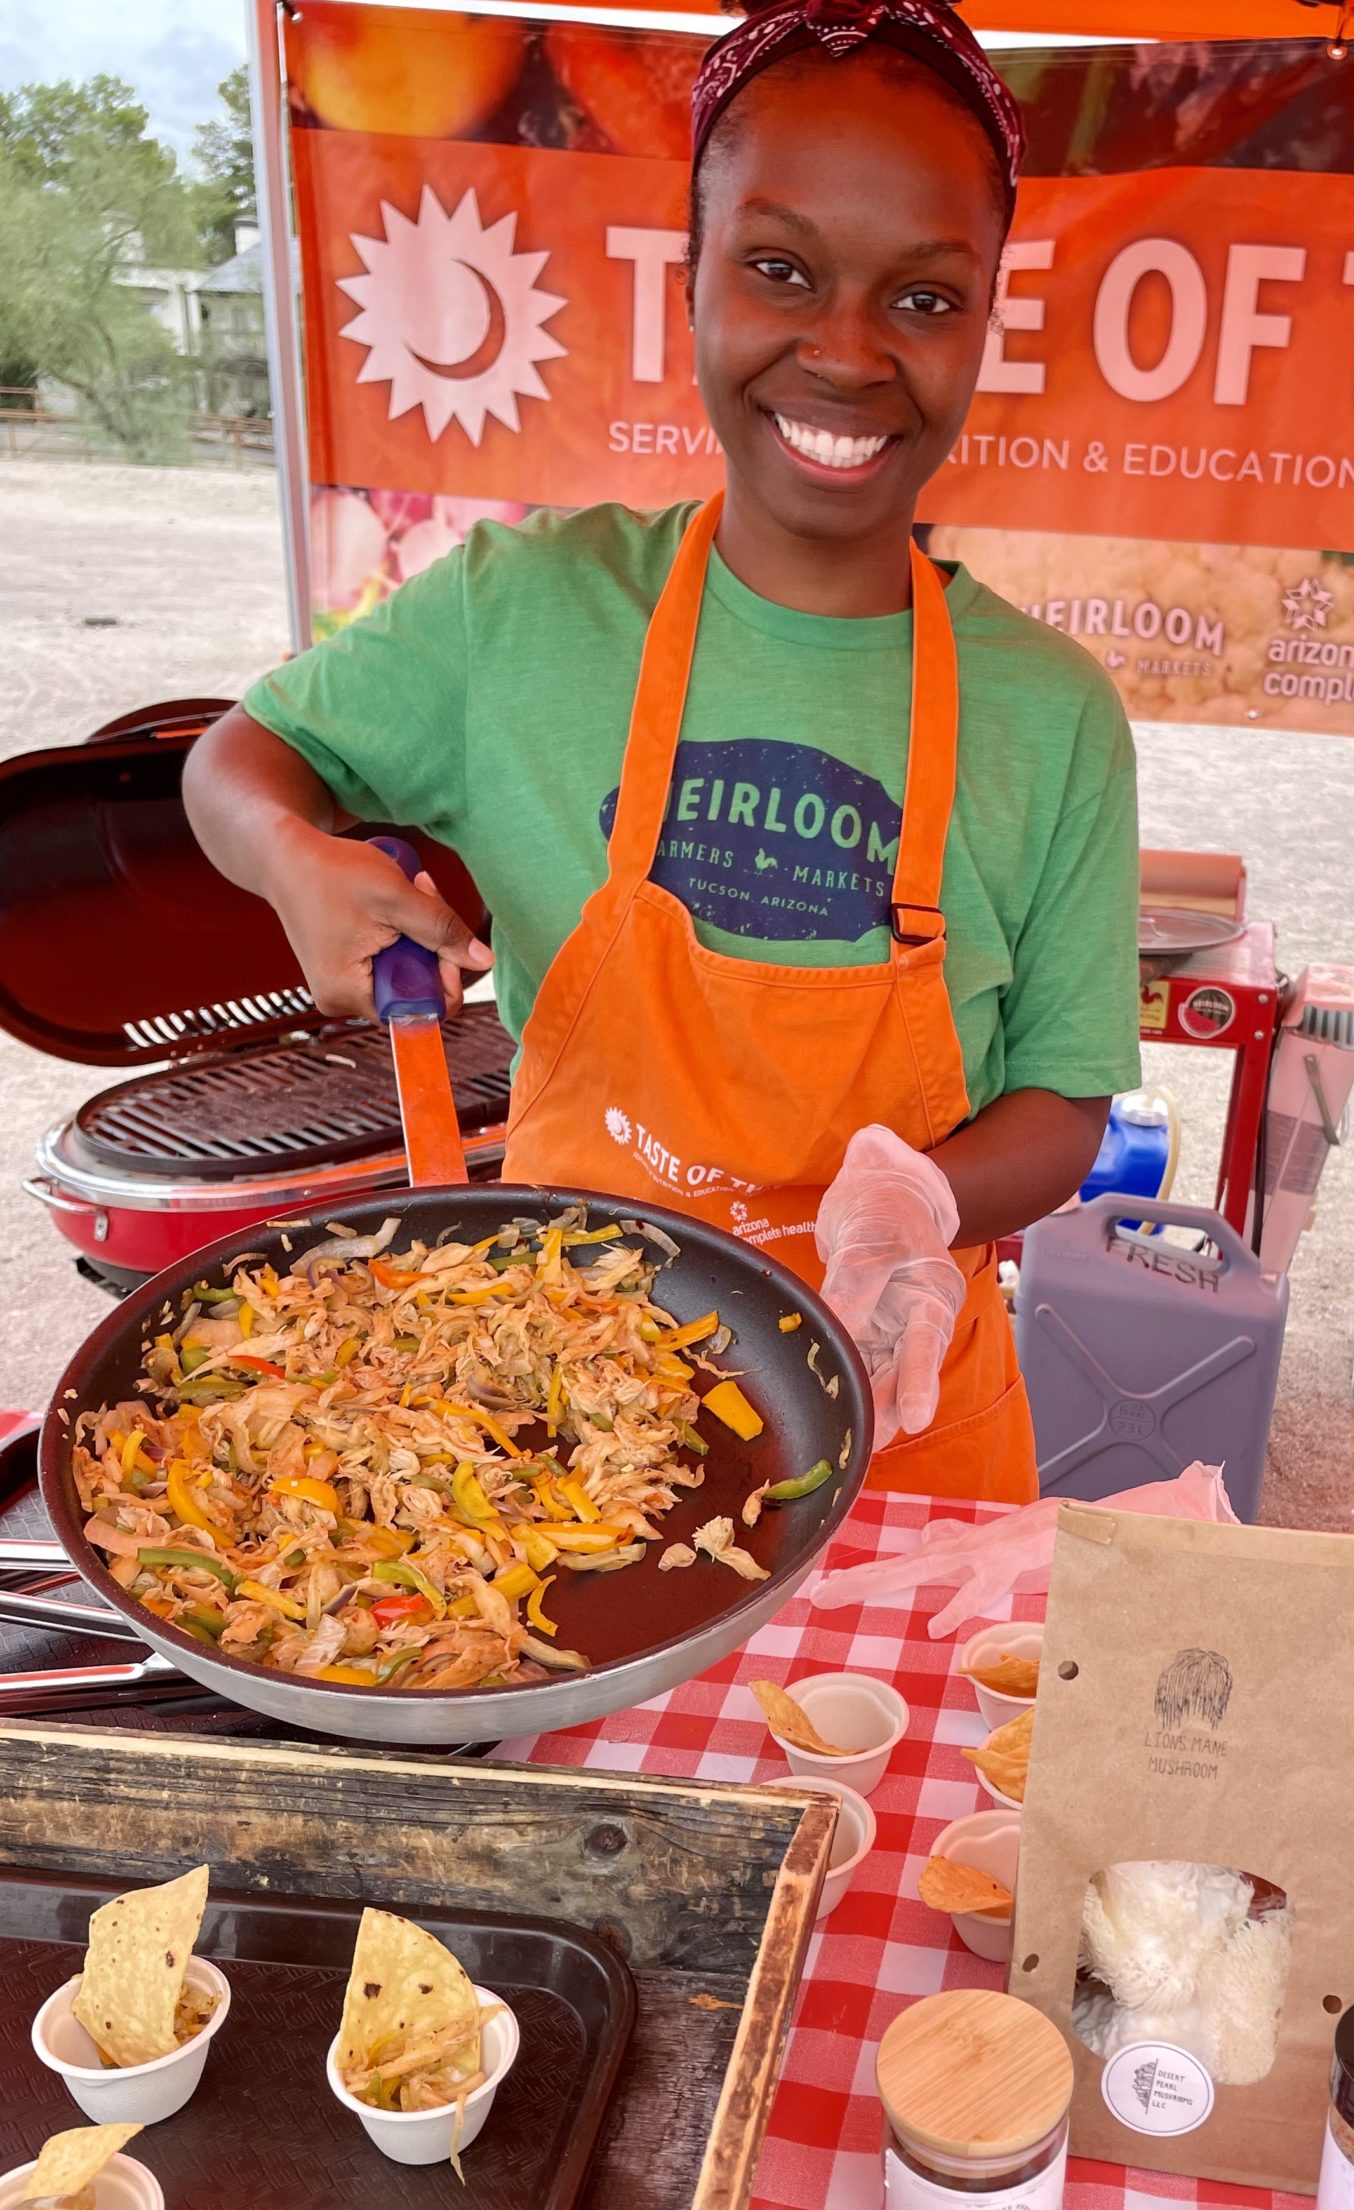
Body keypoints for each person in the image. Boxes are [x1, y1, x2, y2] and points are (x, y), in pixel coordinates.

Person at [182, 0, 1140, 1503]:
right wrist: (292, 858)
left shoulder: (1054, 711)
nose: (847, 351)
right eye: (779, 270)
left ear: (986, 320)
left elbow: (1065, 1106)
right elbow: (238, 759)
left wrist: (919, 1199)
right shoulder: (524, 613)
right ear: (691, 280)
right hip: (550, 1413)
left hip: (905, 1420)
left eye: (926, 298)